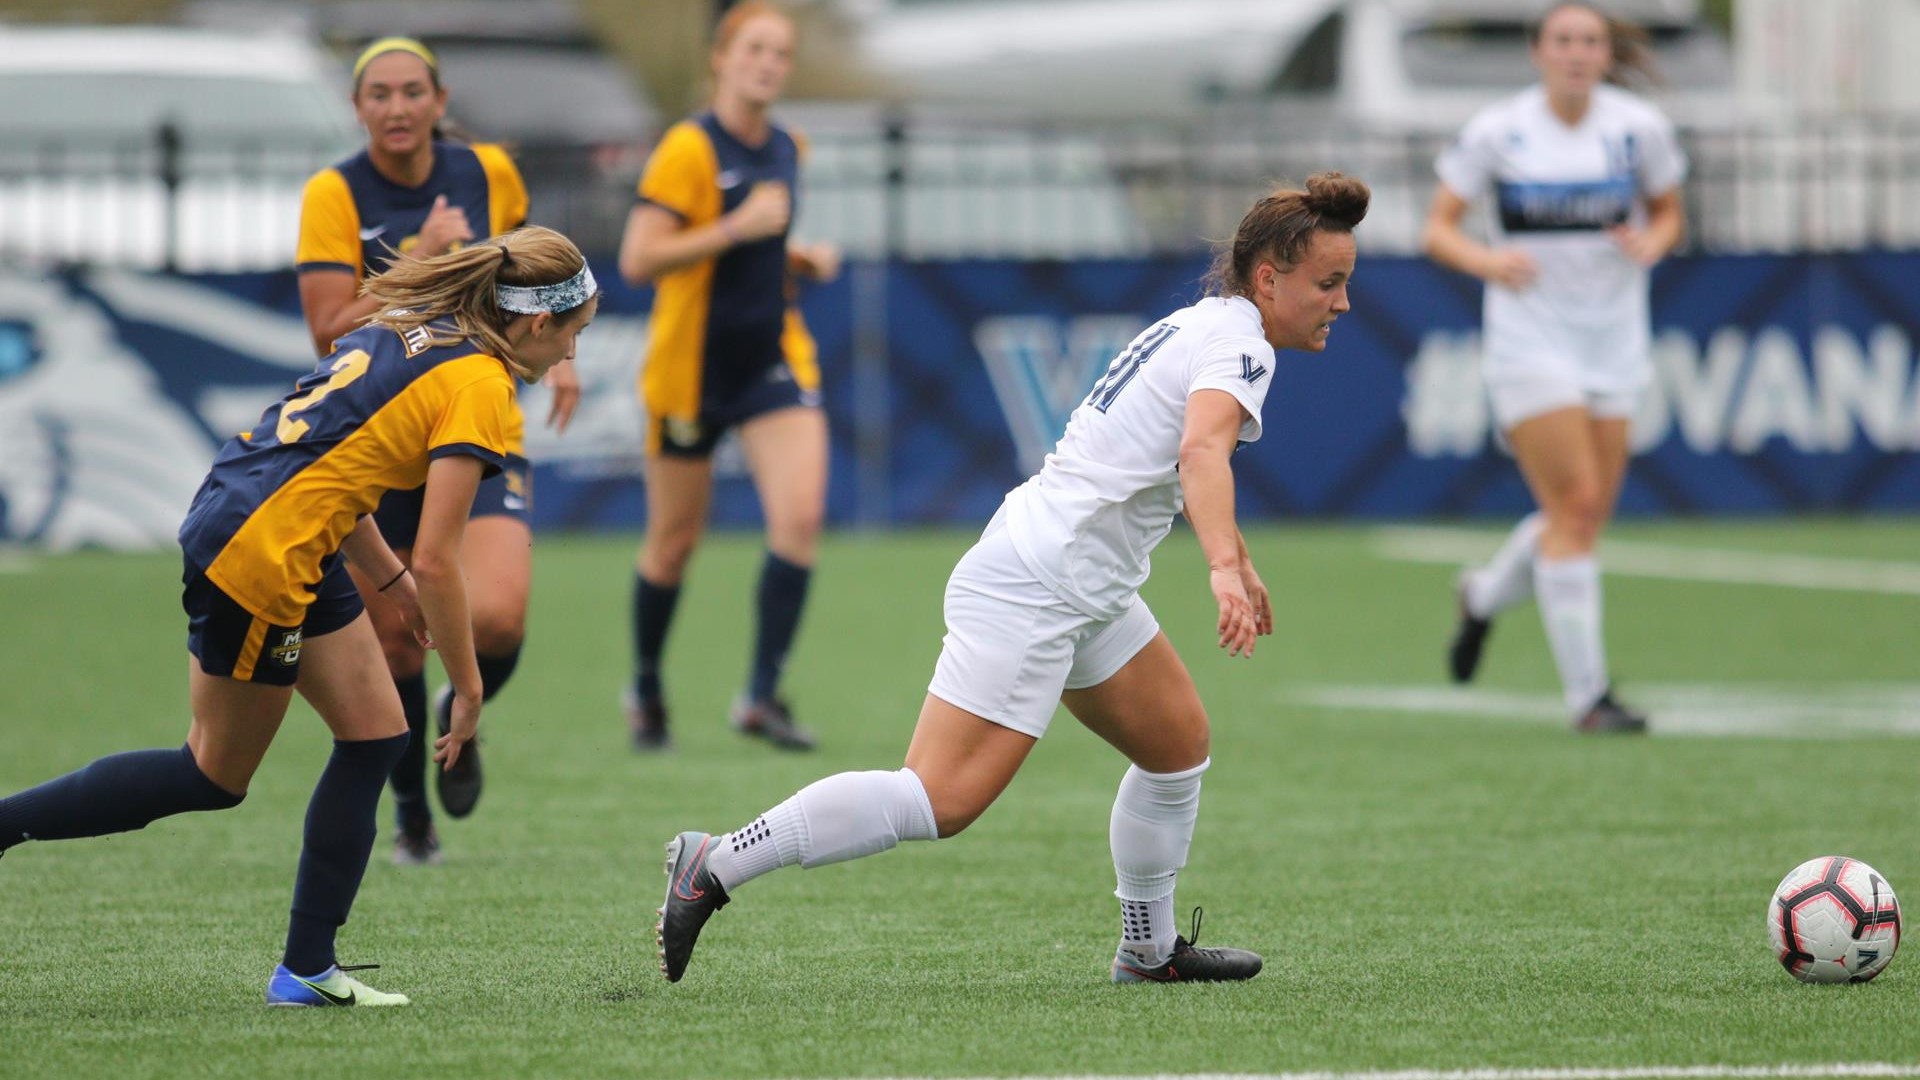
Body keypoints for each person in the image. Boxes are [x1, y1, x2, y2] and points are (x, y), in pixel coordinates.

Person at [653, 173, 1369, 985]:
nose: (1342, 303)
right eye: (1329, 283)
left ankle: (1148, 948)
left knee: (1177, 748)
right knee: (936, 800)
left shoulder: (1209, 323)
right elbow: (1199, 452)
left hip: (1074, 580)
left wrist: (1233, 555)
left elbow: (1170, 457)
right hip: (1042, 581)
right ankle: (713, 862)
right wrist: (1218, 568)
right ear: (1268, 279)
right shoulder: (1238, 344)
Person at [0, 227, 599, 1006]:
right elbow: (441, 559)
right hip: (263, 550)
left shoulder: (415, 326)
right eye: (575, 336)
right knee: (213, 772)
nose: (571, 358)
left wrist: (389, 584)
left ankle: (308, 970)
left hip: (272, 519)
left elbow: (334, 471)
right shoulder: (481, 384)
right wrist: (470, 687)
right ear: (537, 322)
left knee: (379, 735)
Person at [297, 36, 582, 862]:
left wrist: (568, 356)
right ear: (357, 108)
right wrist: (417, 256)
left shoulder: (487, 169)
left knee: (494, 615)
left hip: (479, 419)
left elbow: (547, 278)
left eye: (411, 92)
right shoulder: (334, 192)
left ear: (439, 98)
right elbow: (325, 330)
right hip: (386, 439)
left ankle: (468, 712)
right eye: (378, 94)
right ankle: (413, 815)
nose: (396, 108)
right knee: (394, 638)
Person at [1421, 1, 1686, 733]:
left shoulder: (1638, 128)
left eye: (1590, 41)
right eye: (1563, 40)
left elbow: (1669, 212)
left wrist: (1653, 242)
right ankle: (1588, 699)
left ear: (1606, 54)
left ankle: (1481, 595)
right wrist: (1488, 259)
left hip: (1614, 341)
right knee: (1572, 507)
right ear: (1538, 51)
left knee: (1584, 514)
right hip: (1530, 341)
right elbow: (1438, 228)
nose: (1577, 53)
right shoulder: (1499, 130)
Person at [616, 0, 841, 753]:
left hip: (773, 356)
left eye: (780, 52)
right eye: (754, 49)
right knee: (674, 542)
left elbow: (763, 243)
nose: (768, 63)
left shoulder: (788, 144)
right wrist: (737, 228)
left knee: (801, 518)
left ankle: (760, 694)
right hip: (691, 370)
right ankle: (646, 685)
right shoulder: (687, 149)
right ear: (721, 55)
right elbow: (639, 258)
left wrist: (795, 255)